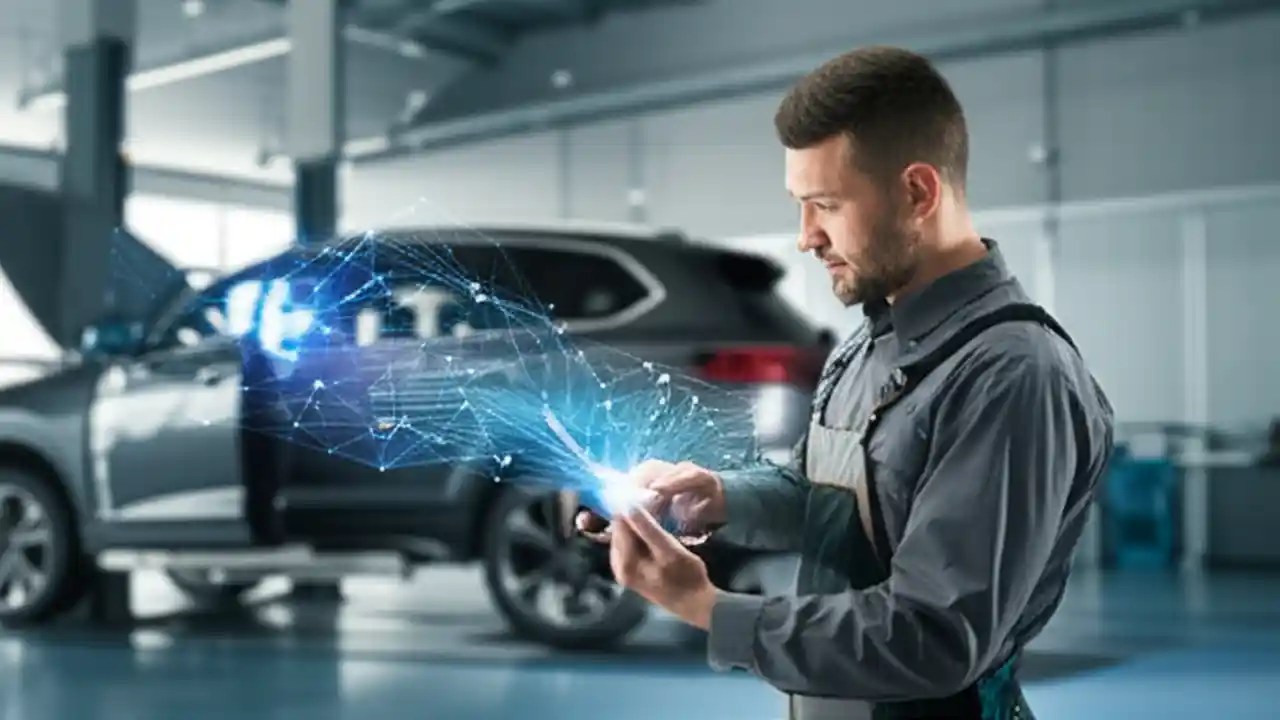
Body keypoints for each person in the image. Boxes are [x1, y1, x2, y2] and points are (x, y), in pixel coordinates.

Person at [576, 45, 1115, 720]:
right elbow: (828, 498)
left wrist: (708, 610)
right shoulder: (866, 346)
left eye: (825, 205)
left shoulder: (1010, 373)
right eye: (801, 205)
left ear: (918, 193)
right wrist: (715, 499)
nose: (806, 237)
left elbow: (936, 638)